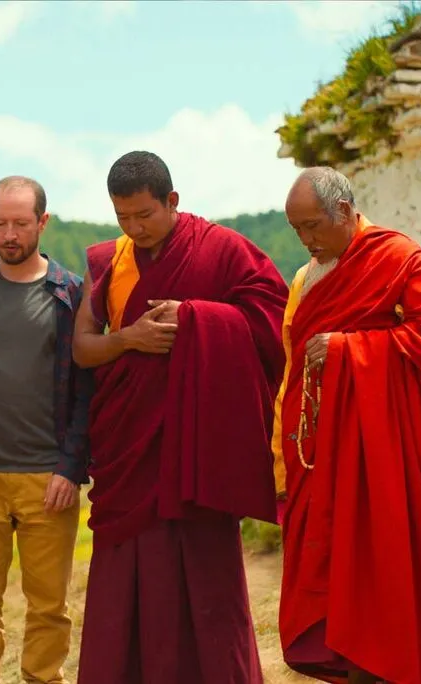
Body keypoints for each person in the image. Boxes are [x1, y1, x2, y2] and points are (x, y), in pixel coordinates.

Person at [72, 151, 288, 683]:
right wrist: (130, 339)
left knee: (204, 582)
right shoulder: (108, 262)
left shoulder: (220, 250)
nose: (134, 228)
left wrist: (196, 319)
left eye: (144, 214)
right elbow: (81, 348)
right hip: (129, 454)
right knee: (126, 583)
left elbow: (274, 321)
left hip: (199, 454)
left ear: (172, 201)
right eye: (122, 217)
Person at [272, 167, 421, 684]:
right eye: (296, 229)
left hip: (396, 455)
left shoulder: (398, 259)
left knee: (393, 565)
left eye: (313, 226)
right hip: (334, 452)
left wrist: (351, 349)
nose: (306, 240)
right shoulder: (308, 278)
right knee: (343, 572)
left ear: (344, 212)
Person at [0, 176, 91, 684]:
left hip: (48, 478)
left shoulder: (72, 296)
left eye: (21, 223)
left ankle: (42, 678)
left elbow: (88, 393)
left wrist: (71, 468)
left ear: (42, 223)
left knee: (49, 605)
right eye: (1, 222)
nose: (9, 234)